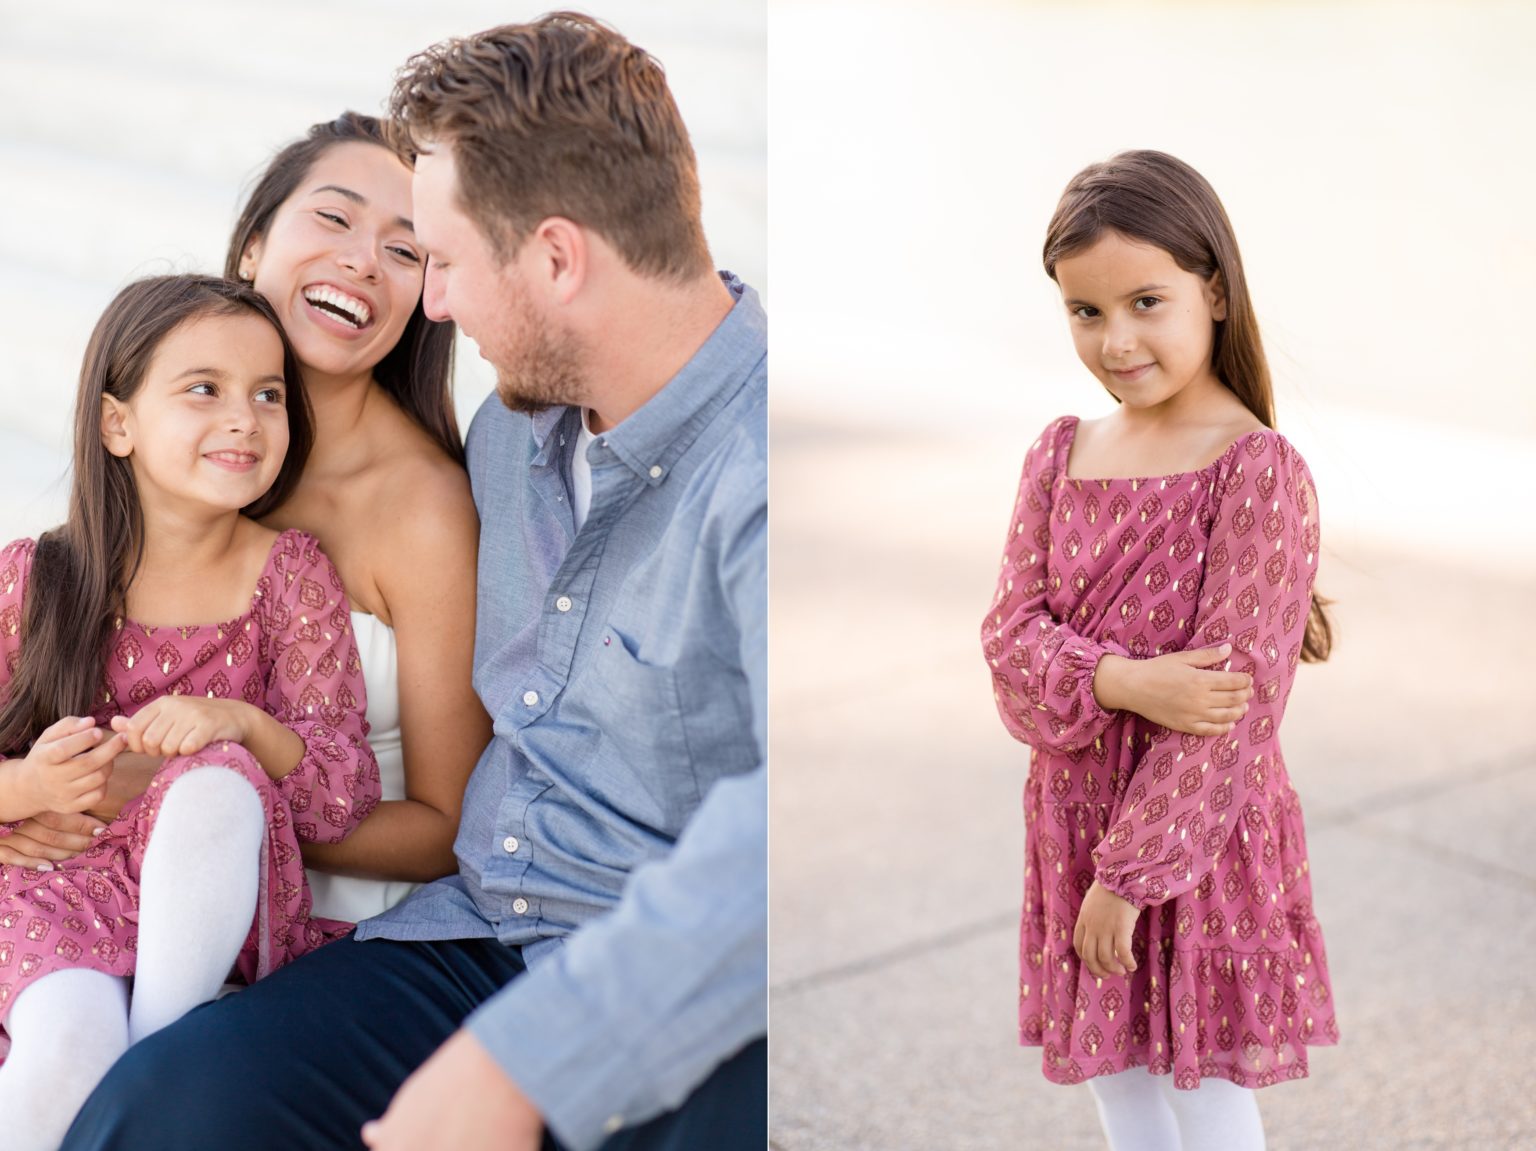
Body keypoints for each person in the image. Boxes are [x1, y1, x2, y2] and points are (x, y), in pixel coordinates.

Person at [63, 13, 766, 1151]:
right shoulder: (513, 435)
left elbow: (776, 838)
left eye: (436, 258)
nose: (427, 304)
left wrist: (530, 1060)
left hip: (672, 970)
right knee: (160, 1113)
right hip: (478, 933)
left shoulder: (758, 477)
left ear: (554, 258)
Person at [0, 114, 488, 925]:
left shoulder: (422, 510)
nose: (362, 260)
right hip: (116, 900)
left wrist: (159, 798)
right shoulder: (197, 443)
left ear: (427, 297)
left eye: (405, 251)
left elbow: (446, 831)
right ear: (253, 245)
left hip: (335, 923)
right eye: (334, 217)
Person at [980, 151, 1339, 1151]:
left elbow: (1232, 709)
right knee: (1118, 1080)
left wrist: (1129, 873)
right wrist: (1122, 678)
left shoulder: (1255, 469)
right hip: (1074, 815)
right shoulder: (1060, 451)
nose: (1116, 340)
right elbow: (1009, 641)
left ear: (1213, 290)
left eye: (1146, 301)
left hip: (1192, 837)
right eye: (1086, 312)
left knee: (1204, 1091)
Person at [0, 274, 379, 1151]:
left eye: (269, 393)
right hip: (55, 896)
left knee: (215, 781)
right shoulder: (36, 580)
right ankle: (132, 1072)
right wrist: (28, 783)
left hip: (205, 912)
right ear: (117, 423)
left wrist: (241, 724)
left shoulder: (289, 576)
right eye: (204, 388)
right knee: (63, 1049)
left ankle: (162, 1061)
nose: (245, 417)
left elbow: (339, 798)